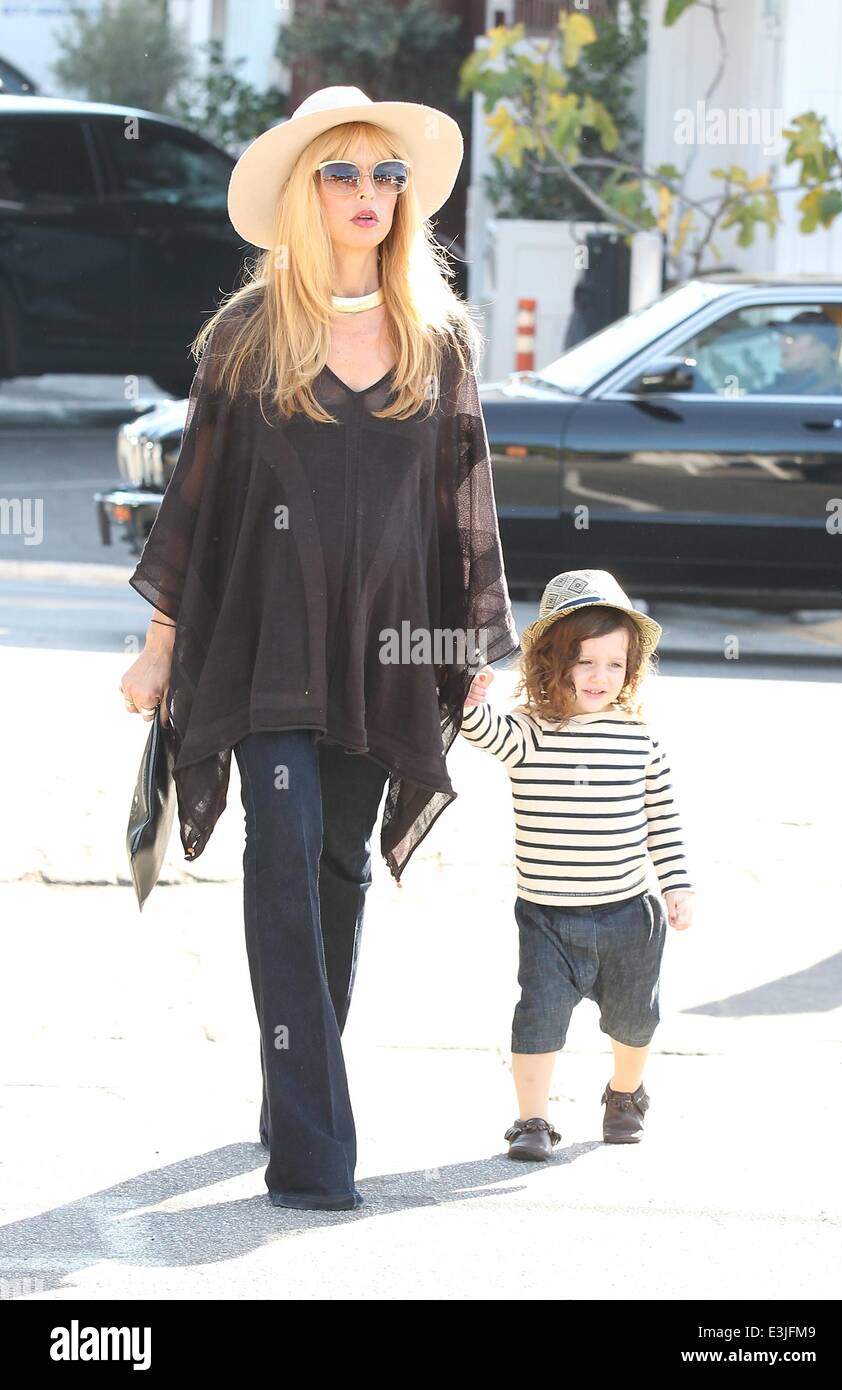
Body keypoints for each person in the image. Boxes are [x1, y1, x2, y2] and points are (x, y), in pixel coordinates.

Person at [118, 86, 520, 1211]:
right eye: (342, 175)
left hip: (386, 649)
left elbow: (463, 506)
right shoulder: (248, 338)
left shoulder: (438, 342)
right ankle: (313, 1151)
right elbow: (191, 509)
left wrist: (471, 636)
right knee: (284, 850)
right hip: (262, 644)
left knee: (338, 871)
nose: (368, 195)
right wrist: (158, 646)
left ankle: (289, 1076)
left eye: (385, 176)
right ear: (304, 193)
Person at [458, 569, 696, 1159]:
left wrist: (678, 884)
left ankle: (625, 1092)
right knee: (536, 1021)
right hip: (547, 917)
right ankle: (532, 1120)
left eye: (614, 664)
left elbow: (661, 818)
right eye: (584, 661)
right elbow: (481, 731)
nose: (600, 677)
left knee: (636, 1020)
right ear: (550, 662)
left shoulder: (639, 738)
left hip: (629, 913)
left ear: (631, 669)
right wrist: (470, 700)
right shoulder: (531, 734)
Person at [757, 310, 842, 396]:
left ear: (820, 347)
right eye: (783, 336)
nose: (781, 343)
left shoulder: (840, 391)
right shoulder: (784, 387)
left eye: (792, 338)